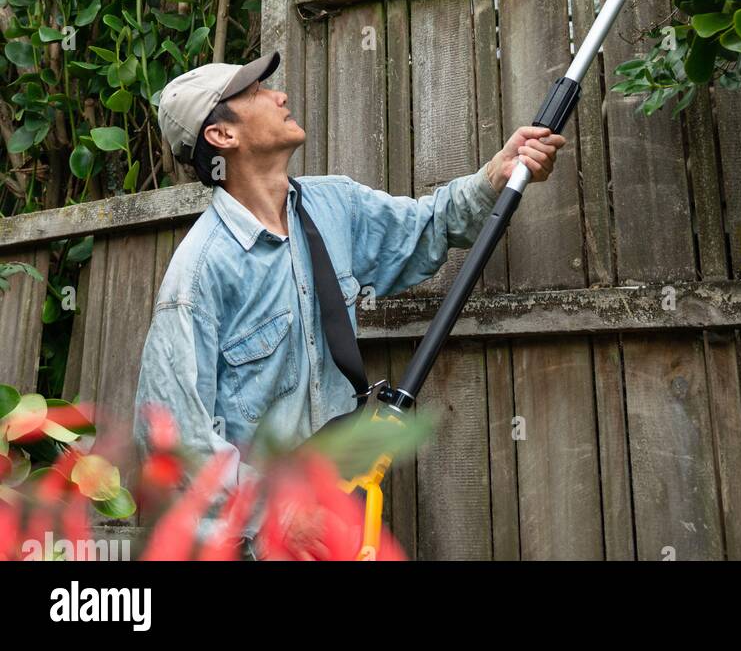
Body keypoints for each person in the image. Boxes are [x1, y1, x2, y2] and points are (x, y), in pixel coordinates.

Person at [133, 51, 564, 557]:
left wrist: (496, 173)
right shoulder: (201, 272)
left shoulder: (333, 205)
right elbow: (169, 440)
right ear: (222, 137)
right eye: (254, 93)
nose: (280, 95)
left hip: (339, 510)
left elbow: (430, 227)